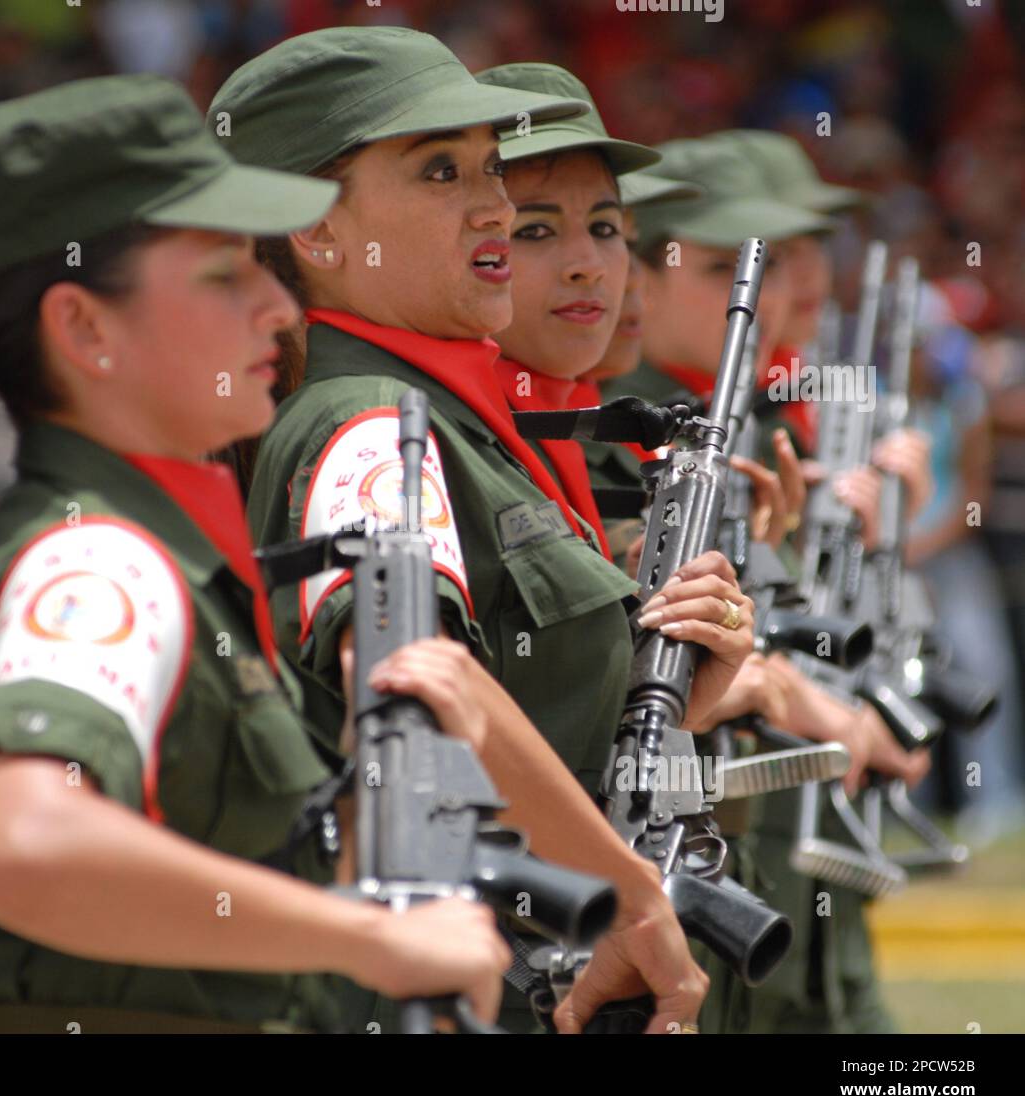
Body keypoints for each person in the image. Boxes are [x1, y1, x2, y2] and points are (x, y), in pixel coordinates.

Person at [0, 75, 518, 1035]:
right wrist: (362, 934)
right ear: (85, 328)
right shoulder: (101, 570)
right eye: (222, 274)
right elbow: (22, 842)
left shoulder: (154, 555)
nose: (277, 309)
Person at [210, 27, 753, 1033]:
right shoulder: (370, 421)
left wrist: (663, 699)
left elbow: (509, 703)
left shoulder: (449, 418)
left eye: (491, 168)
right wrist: (624, 892)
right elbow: (418, 704)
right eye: (441, 171)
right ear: (318, 229)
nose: (496, 203)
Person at [602, 132, 930, 1033]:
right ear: (646, 276)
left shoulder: (755, 420)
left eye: (787, 257)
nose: (784, 287)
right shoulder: (629, 429)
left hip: (771, 851)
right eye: (731, 265)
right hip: (696, 853)